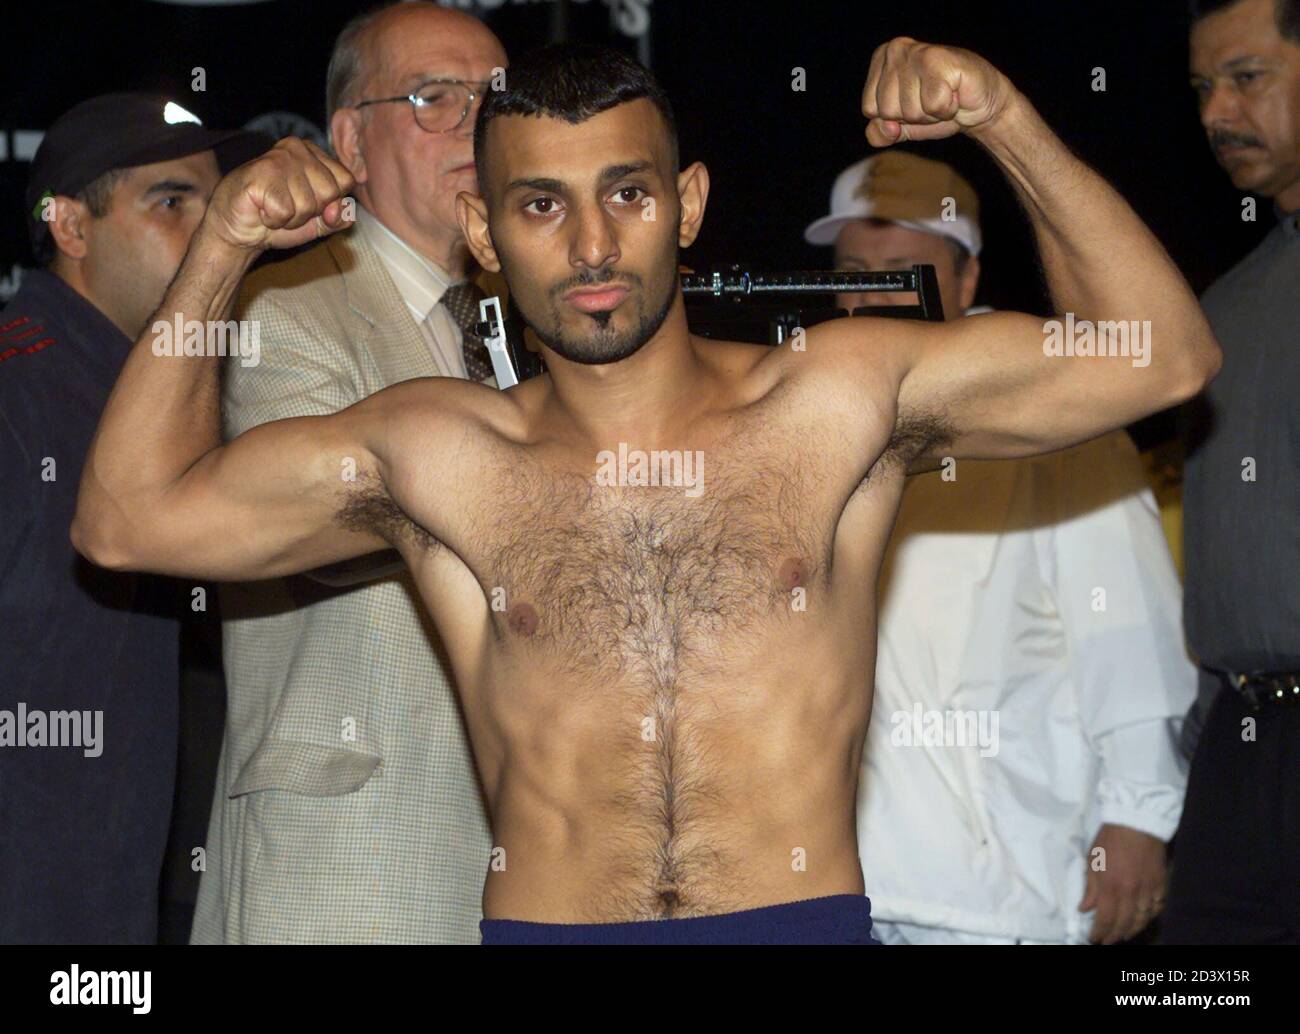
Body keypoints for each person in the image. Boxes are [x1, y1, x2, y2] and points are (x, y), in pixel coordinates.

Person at [71, 39, 1221, 945]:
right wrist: (221, 241)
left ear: (690, 202)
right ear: (481, 229)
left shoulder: (834, 399)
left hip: (801, 928)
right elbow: (128, 521)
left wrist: (1002, 119)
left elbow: (1162, 355)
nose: (589, 244)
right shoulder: (435, 451)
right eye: (539, 205)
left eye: (627, 192)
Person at [806, 151, 1197, 945]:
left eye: (904, 269)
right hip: (837, 888)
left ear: (967, 280)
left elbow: (1130, 631)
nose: (875, 291)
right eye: (854, 269)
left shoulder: (1056, 415)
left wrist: (1139, 819)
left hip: (998, 900)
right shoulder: (809, 417)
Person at [192, 2, 508, 946]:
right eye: (433, 97)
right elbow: (325, 528)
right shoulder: (289, 303)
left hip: (536, 854)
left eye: (495, 98)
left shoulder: (540, 319)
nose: (476, 124)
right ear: (350, 141)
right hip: (352, 853)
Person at [0, 93, 263, 943]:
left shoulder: (160, 394)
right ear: (71, 227)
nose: (212, 230)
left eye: (216, 203)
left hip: (110, 904)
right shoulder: (16, 390)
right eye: (171, 202)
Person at [1164, 0, 1300, 944]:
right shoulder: (1216, 307)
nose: (1216, 112)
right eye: (1204, 88)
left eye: (1246, 77)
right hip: (1237, 754)